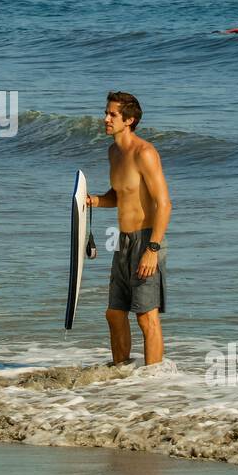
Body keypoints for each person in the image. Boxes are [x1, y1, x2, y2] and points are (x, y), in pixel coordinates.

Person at [87, 92, 173, 366]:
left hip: (147, 240)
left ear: (130, 120)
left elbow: (164, 204)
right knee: (114, 313)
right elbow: (118, 195)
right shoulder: (114, 152)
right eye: (106, 112)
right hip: (122, 243)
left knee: (147, 316)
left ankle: (153, 382)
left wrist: (153, 250)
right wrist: (93, 201)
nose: (106, 118)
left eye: (112, 115)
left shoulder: (144, 153)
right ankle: (122, 377)